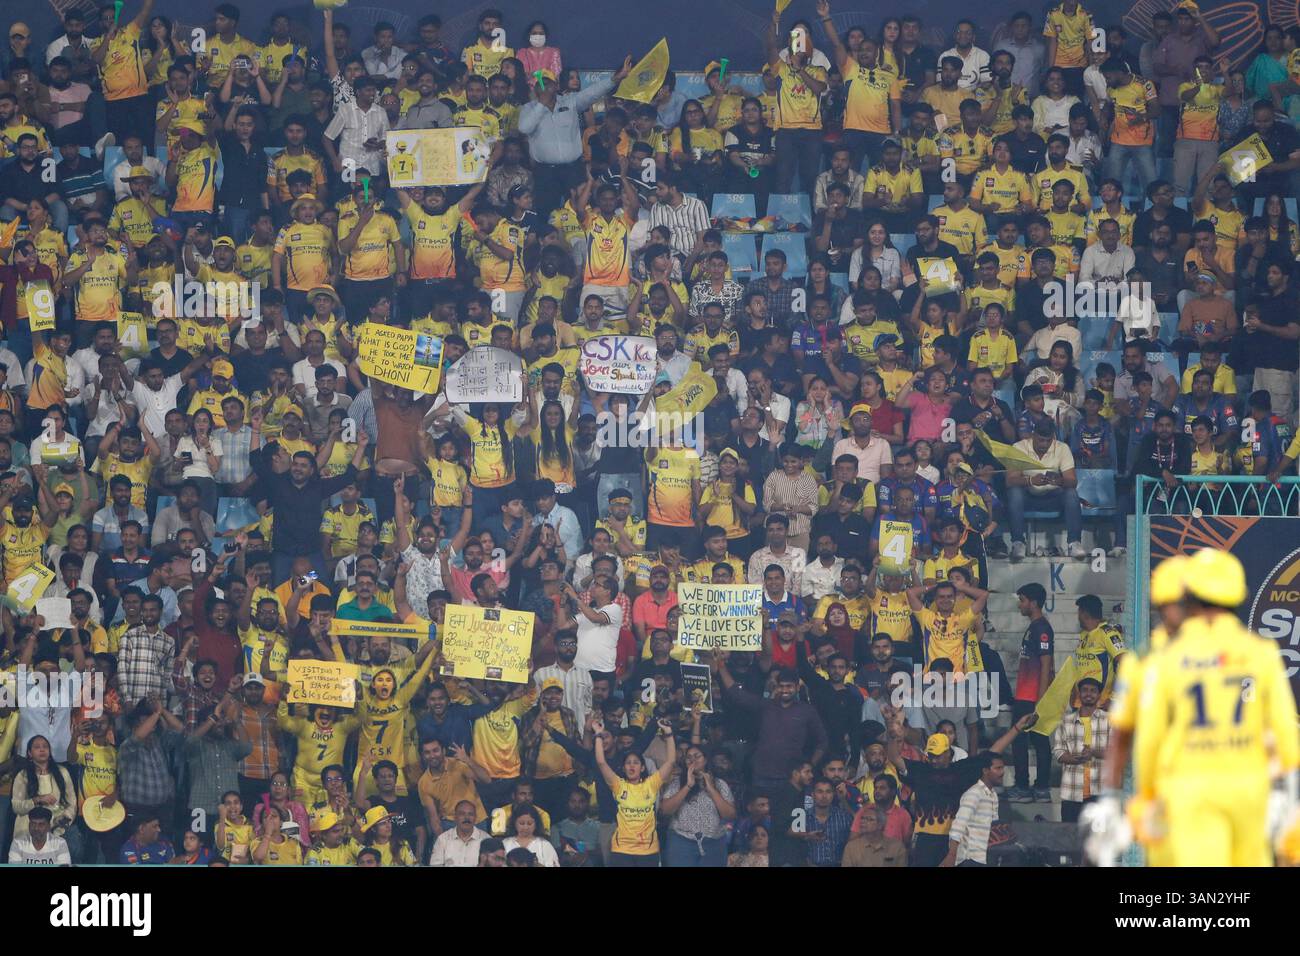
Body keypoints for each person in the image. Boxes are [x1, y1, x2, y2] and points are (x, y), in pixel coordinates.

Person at [594, 716, 676, 866]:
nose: (631, 766)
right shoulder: (618, 785)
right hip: (622, 850)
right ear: (623, 768)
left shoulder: (651, 784)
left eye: (636, 763)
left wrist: (669, 733)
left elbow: (671, 762)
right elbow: (601, 762)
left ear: (643, 768)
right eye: (628, 763)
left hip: (648, 851)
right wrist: (599, 735)